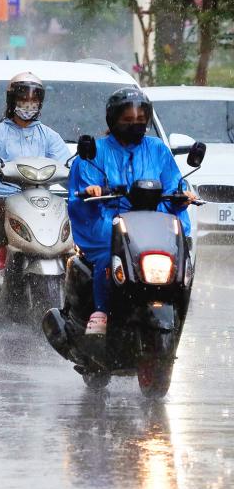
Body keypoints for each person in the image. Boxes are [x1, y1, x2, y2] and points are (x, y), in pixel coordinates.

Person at [68, 87, 195, 336]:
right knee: (110, 251)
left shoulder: (157, 148)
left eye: (140, 120)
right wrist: (92, 190)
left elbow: (174, 183)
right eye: (127, 120)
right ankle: (101, 310)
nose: (135, 124)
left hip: (153, 221)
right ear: (113, 120)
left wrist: (184, 195)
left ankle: (174, 306)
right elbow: (83, 187)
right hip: (108, 217)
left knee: (178, 258)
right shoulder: (96, 151)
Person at [0, 72, 71, 287]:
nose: (28, 104)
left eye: (34, 100)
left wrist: (85, 181)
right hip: (2, 198)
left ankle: (69, 265)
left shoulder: (49, 136)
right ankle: (1, 265)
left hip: (39, 200)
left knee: (67, 211)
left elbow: (68, 165)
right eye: (24, 99)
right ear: (12, 101)